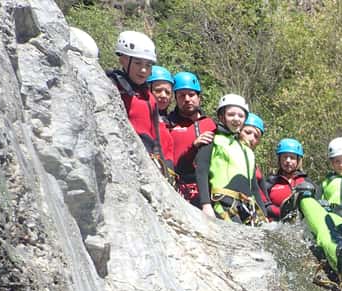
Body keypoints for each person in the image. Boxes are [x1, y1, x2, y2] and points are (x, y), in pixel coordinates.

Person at [106, 31, 174, 181]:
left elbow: (159, 134)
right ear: (123, 60)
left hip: (149, 163)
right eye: (137, 63)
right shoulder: (112, 87)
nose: (143, 70)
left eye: (148, 65)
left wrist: (167, 167)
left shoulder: (149, 97)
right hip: (124, 161)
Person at [194, 94, 267, 224]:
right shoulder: (212, 140)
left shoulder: (247, 151)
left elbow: (254, 187)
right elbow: (201, 171)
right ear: (222, 116)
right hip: (223, 205)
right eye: (231, 114)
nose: (236, 119)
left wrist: (264, 215)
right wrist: (205, 204)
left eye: (241, 115)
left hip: (247, 209)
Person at [167, 71, 216, 205]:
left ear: (199, 97)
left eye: (191, 94)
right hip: (181, 187)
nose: (187, 99)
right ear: (176, 98)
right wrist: (193, 146)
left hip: (209, 188)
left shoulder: (210, 124)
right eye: (182, 95)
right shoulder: (168, 124)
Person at [263, 138, 309, 221]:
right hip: (275, 227)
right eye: (284, 157)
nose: (288, 160)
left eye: (292, 157)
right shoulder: (270, 182)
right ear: (279, 159)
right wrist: (282, 212)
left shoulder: (306, 182)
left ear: (298, 160)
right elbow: (263, 205)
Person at [238, 113, 274, 218]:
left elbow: (260, 193)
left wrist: (264, 215)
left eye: (256, 136)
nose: (251, 138)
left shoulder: (253, 163)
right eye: (248, 132)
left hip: (252, 209)